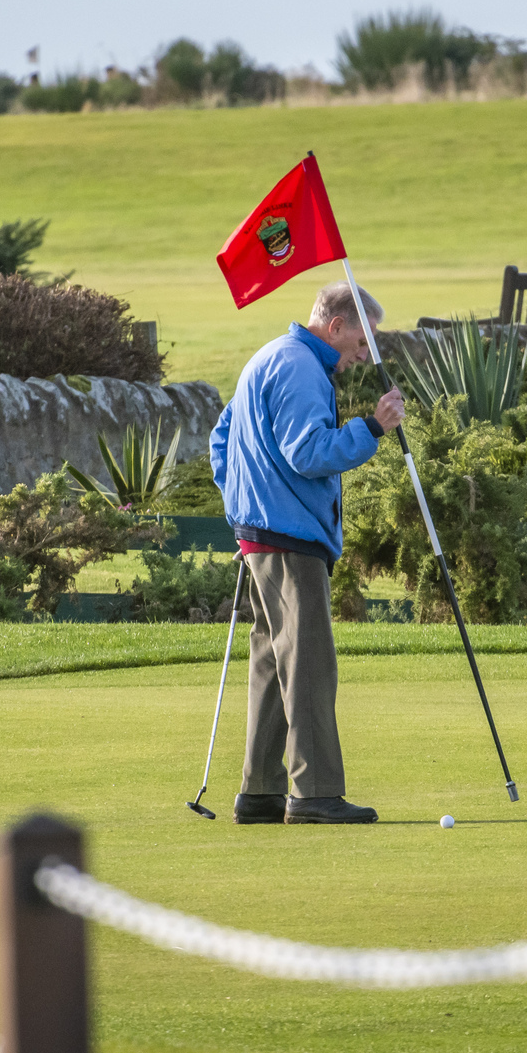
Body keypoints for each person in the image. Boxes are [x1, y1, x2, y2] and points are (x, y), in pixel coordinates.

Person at [208, 280, 406, 824]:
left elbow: (220, 439)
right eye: (361, 342)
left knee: (274, 662)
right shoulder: (299, 367)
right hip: (288, 536)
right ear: (336, 326)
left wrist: (241, 500)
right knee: (309, 664)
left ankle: (261, 792)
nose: (364, 356)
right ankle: (314, 793)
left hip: (262, 531)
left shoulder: (271, 355)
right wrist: (372, 427)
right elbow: (308, 452)